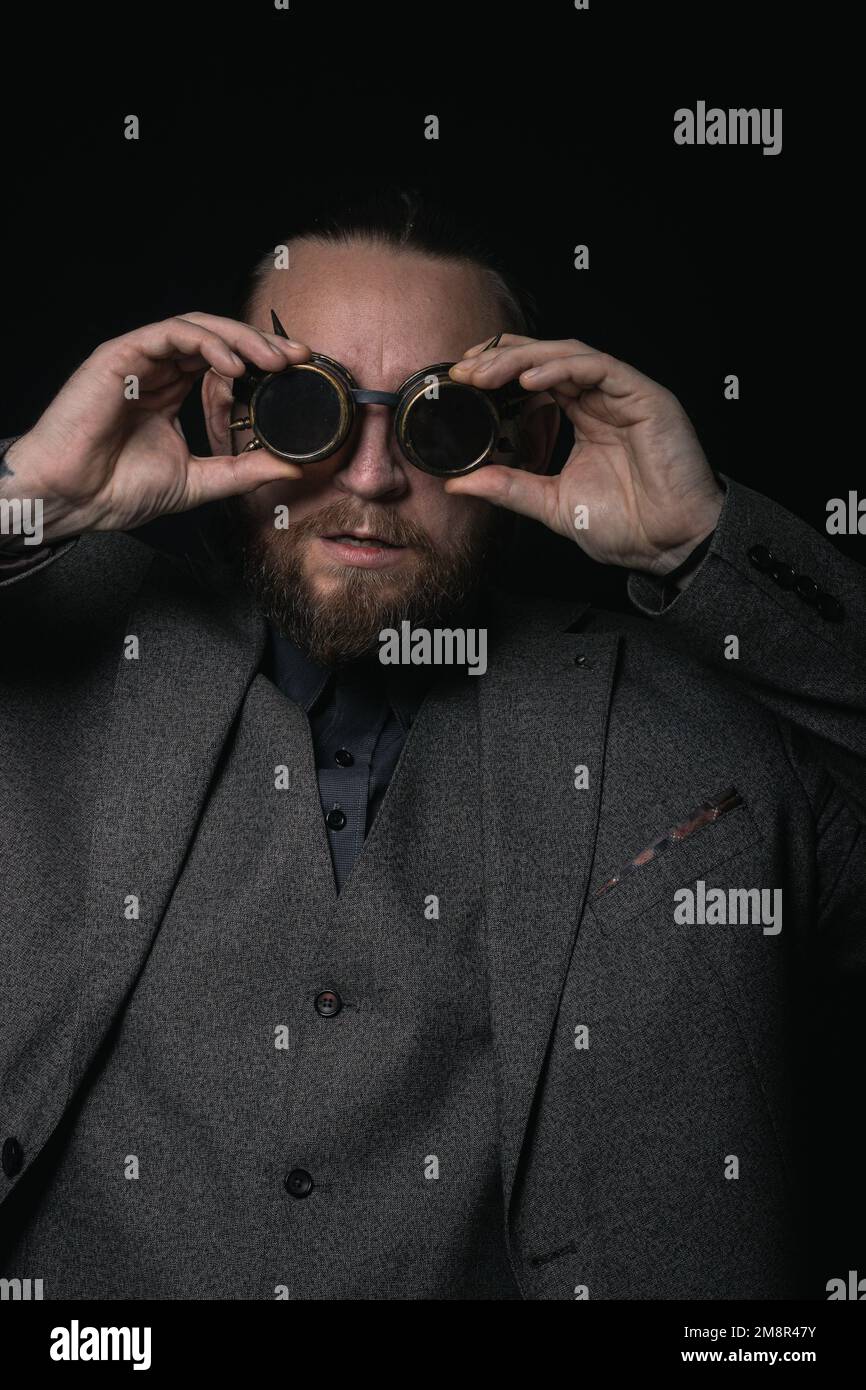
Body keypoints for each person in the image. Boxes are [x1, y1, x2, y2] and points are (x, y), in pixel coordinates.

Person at [0, 187, 863, 1301]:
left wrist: (704, 547)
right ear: (223, 417)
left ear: (533, 431)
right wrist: (25, 499)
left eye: (434, 420)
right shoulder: (45, 650)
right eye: (305, 406)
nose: (368, 479)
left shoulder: (694, 715)